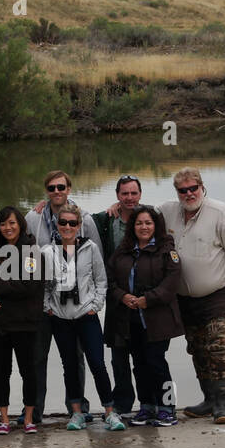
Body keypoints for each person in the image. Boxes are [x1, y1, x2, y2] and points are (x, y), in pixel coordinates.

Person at [159, 167, 225, 425]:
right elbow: (138, 215)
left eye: (194, 188)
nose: (189, 194)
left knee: (220, 346)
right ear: (177, 192)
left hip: (219, 294)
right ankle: (209, 399)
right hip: (186, 299)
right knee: (198, 349)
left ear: (202, 187)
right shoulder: (168, 211)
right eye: (183, 190)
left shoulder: (222, 213)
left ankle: (223, 404)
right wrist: (114, 206)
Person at [25, 170, 100, 424]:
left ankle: (78, 409)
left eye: (61, 187)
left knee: (75, 358)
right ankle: (34, 411)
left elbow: (96, 261)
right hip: (43, 302)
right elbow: (25, 259)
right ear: (46, 191)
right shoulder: (33, 217)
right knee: (38, 356)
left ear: (69, 188)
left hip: (75, 304)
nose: (56, 192)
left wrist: (95, 302)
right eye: (51, 188)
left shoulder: (85, 219)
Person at [43, 203, 125, 431]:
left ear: (79, 226)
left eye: (72, 223)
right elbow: (43, 286)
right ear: (57, 225)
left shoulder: (89, 248)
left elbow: (101, 280)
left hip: (86, 316)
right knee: (70, 366)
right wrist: (47, 307)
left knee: (98, 364)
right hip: (61, 318)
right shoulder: (47, 252)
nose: (67, 227)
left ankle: (110, 412)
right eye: (63, 223)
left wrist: (96, 305)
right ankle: (77, 413)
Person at [106, 207, 183, 427]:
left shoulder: (166, 250)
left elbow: (171, 283)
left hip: (157, 319)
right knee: (139, 364)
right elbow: (110, 279)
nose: (144, 227)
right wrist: (122, 296)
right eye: (139, 223)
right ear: (133, 226)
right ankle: (147, 406)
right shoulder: (123, 250)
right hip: (131, 319)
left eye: (148, 223)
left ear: (156, 225)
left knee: (156, 362)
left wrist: (148, 299)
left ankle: (168, 408)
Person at [0, 206, 44, 435]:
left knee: (28, 370)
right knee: (1, 371)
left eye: (12, 223)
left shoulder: (32, 252)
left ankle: (29, 418)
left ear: (20, 224)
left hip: (25, 321)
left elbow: (27, 285)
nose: (8, 228)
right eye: (3, 224)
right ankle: (3, 418)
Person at [95, 175, 154, 416]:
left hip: (144, 299)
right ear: (117, 195)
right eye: (124, 194)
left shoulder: (151, 219)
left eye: (133, 193)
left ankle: (148, 403)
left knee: (144, 355)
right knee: (118, 355)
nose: (129, 198)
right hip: (116, 296)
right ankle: (122, 403)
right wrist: (45, 205)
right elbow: (72, 218)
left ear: (140, 194)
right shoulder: (105, 220)